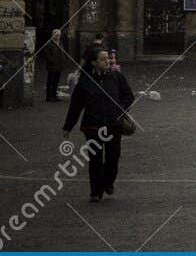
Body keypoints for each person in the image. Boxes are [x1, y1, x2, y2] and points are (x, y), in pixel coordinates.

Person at [61, 45, 134, 203]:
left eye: (107, 58)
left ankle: (108, 182)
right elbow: (76, 105)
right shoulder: (85, 81)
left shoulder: (117, 77)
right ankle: (95, 191)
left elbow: (129, 95)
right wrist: (68, 126)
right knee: (95, 160)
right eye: (102, 59)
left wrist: (120, 110)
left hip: (114, 125)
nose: (107, 61)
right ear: (94, 62)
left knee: (113, 158)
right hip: (92, 126)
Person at [36, 28, 73, 102]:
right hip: (52, 66)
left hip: (59, 65)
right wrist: (52, 61)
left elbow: (63, 53)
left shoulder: (60, 43)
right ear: (53, 35)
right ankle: (49, 97)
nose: (58, 36)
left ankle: (54, 95)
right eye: (56, 35)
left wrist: (64, 60)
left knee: (56, 81)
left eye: (59, 35)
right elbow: (47, 55)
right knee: (50, 81)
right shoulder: (49, 44)